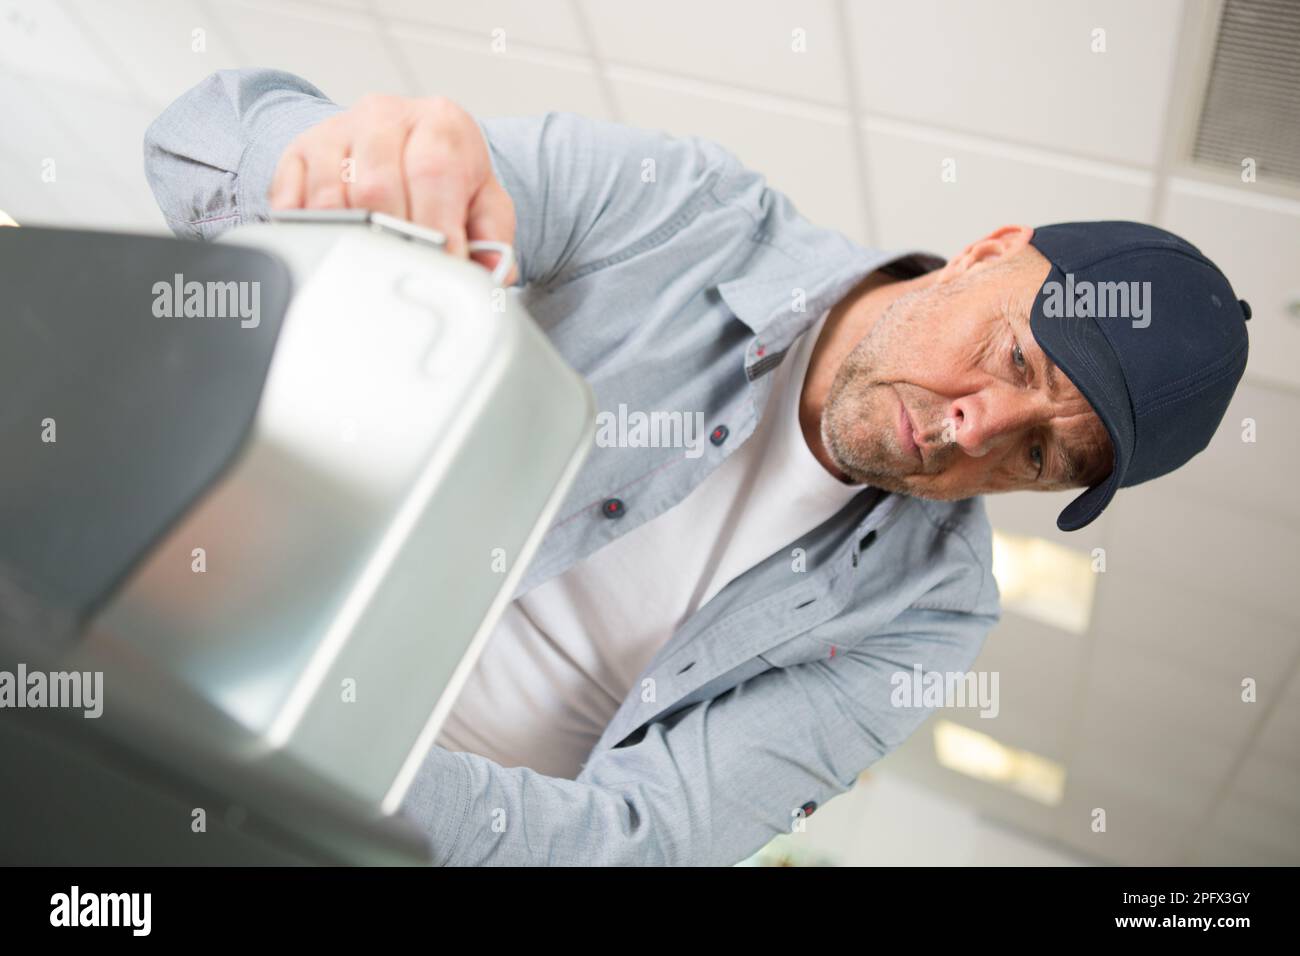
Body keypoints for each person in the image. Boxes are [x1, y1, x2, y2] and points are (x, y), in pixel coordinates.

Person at [143, 70, 1250, 865]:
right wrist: (335, 169)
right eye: (1012, 354)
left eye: (1037, 452)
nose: (975, 430)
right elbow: (198, 140)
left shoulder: (925, 615)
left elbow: (645, 841)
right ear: (987, 249)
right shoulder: (677, 213)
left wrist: (309, 748)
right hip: (196, 631)